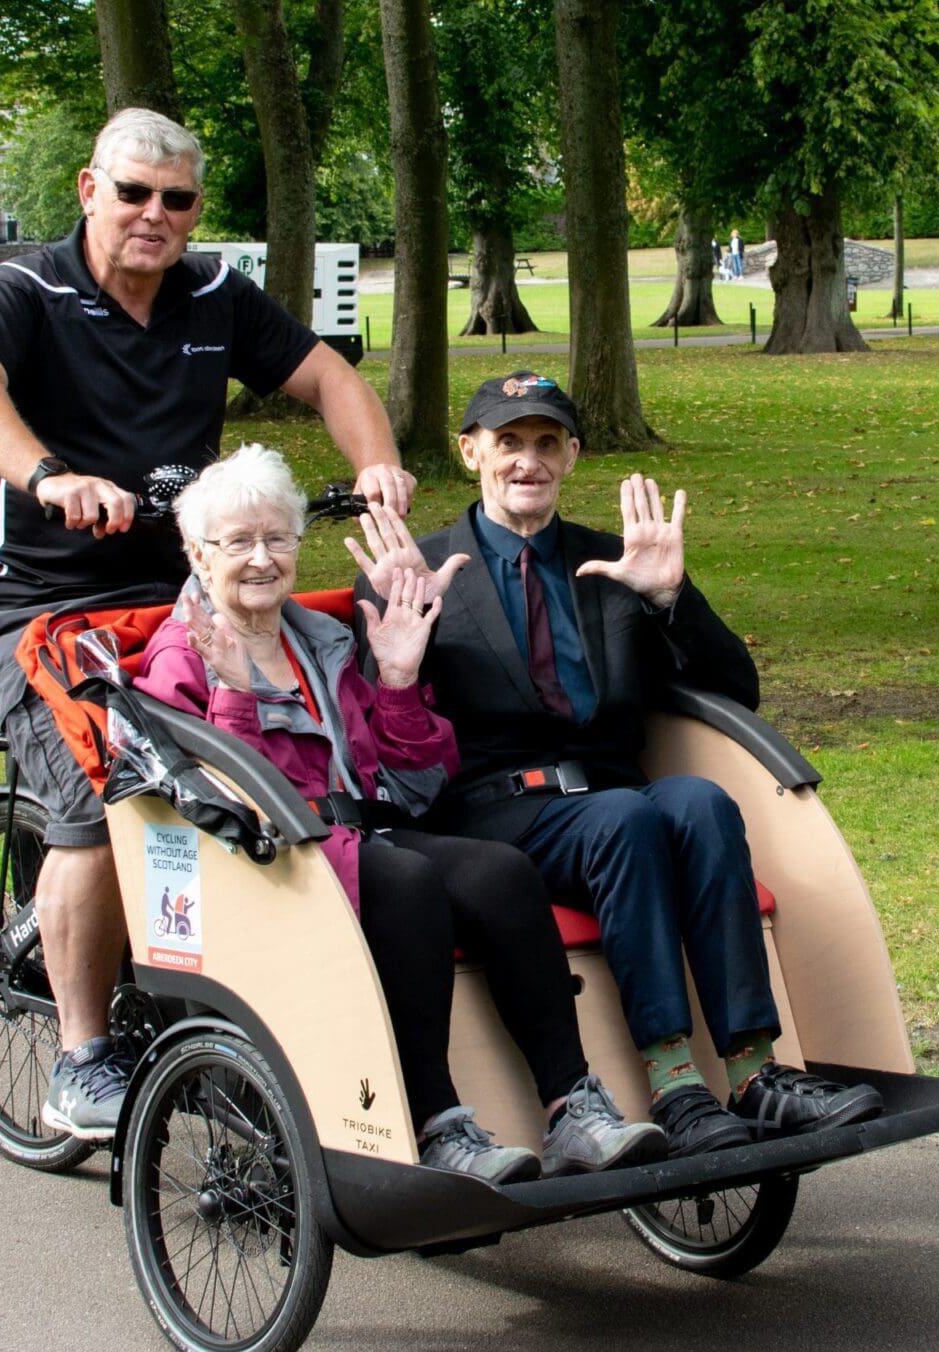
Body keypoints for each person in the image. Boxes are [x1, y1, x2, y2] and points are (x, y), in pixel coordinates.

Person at [0, 107, 416, 1141]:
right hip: (46, 611)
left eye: (177, 198)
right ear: (87, 190)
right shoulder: (25, 293)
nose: (153, 215)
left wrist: (373, 462)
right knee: (101, 790)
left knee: (266, 769)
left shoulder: (211, 296)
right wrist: (47, 476)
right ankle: (79, 1058)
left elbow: (326, 375)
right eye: (133, 192)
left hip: (181, 600)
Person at [354, 372, 884, 1158]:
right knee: (628, 815)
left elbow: (737, 690)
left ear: (572, 454)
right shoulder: (421, 570)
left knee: (701, 803)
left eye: (544, 443)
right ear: (471, 453)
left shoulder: (618, 561)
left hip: (610, 795)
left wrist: (671, 598)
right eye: (507, 443)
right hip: (498, 813)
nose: (526, 462)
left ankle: (754, 1072)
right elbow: (377, 739)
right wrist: (402, 660)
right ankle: (673, 1082)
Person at [134, 444, 670, 1184]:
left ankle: (570, 1104)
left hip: (358, 835)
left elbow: (411, 788)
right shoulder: (181, 656)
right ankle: (436, 1121)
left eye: (278, 539)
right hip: (270, 859)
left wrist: (396, 679)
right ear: (197, 551)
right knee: (408, 880)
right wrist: (234, 696)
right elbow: (227, 803)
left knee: (501, 872)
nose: (262, 559)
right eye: (238, 542)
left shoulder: (316, 638)